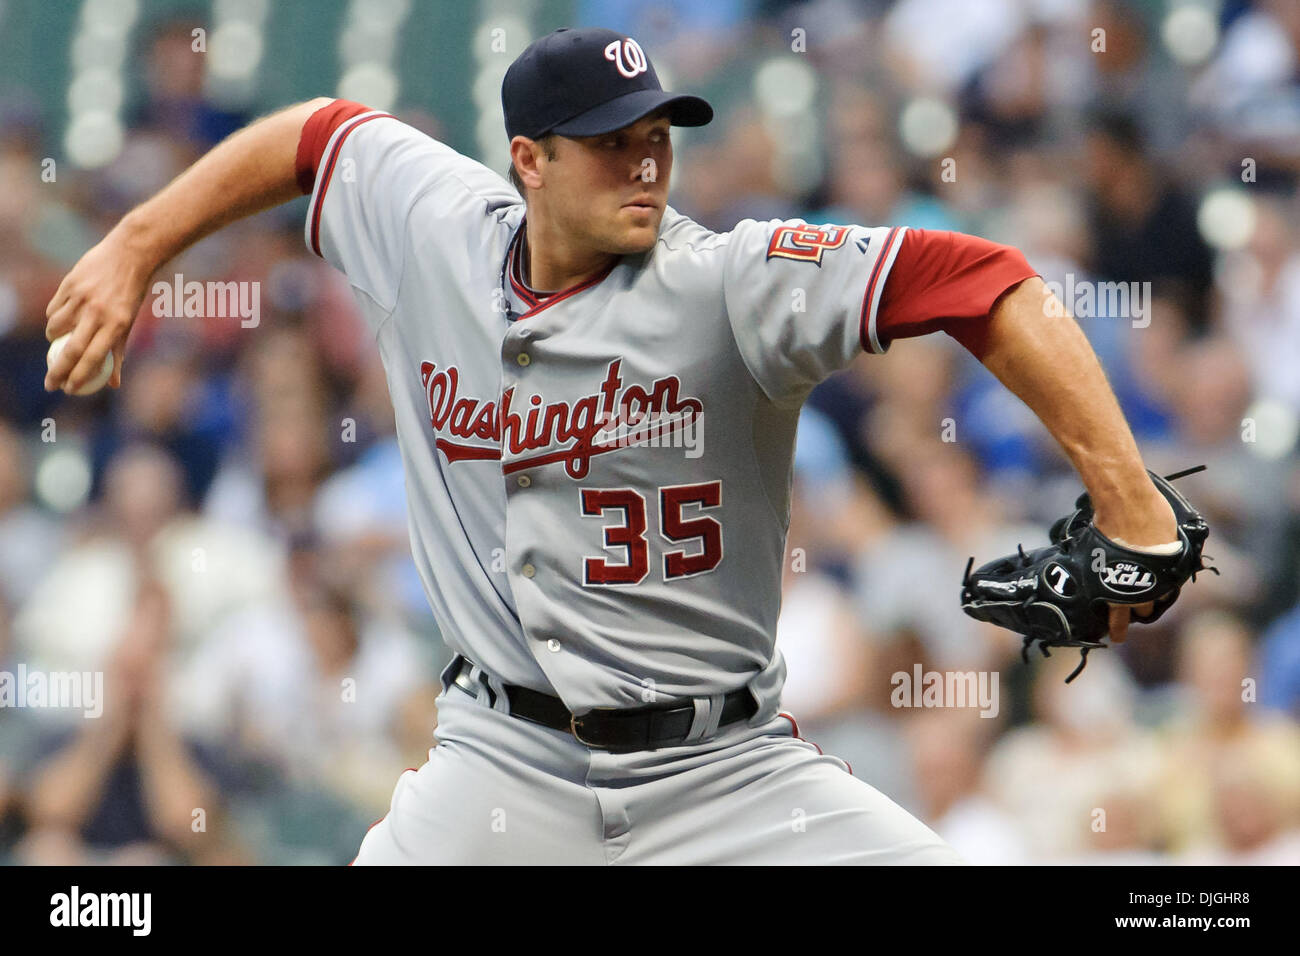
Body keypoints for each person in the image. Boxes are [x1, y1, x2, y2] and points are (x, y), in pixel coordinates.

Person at [43, 27, 1180, 865]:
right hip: (501, 763)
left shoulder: (729, 283)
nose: (644, 164)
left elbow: (988, 280)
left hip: (723, 773)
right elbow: (314, 136)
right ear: (528, 161)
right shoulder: (434, 224)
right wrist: (136, 244)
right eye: (607, 145)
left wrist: (1130, 504)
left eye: (655, 139)